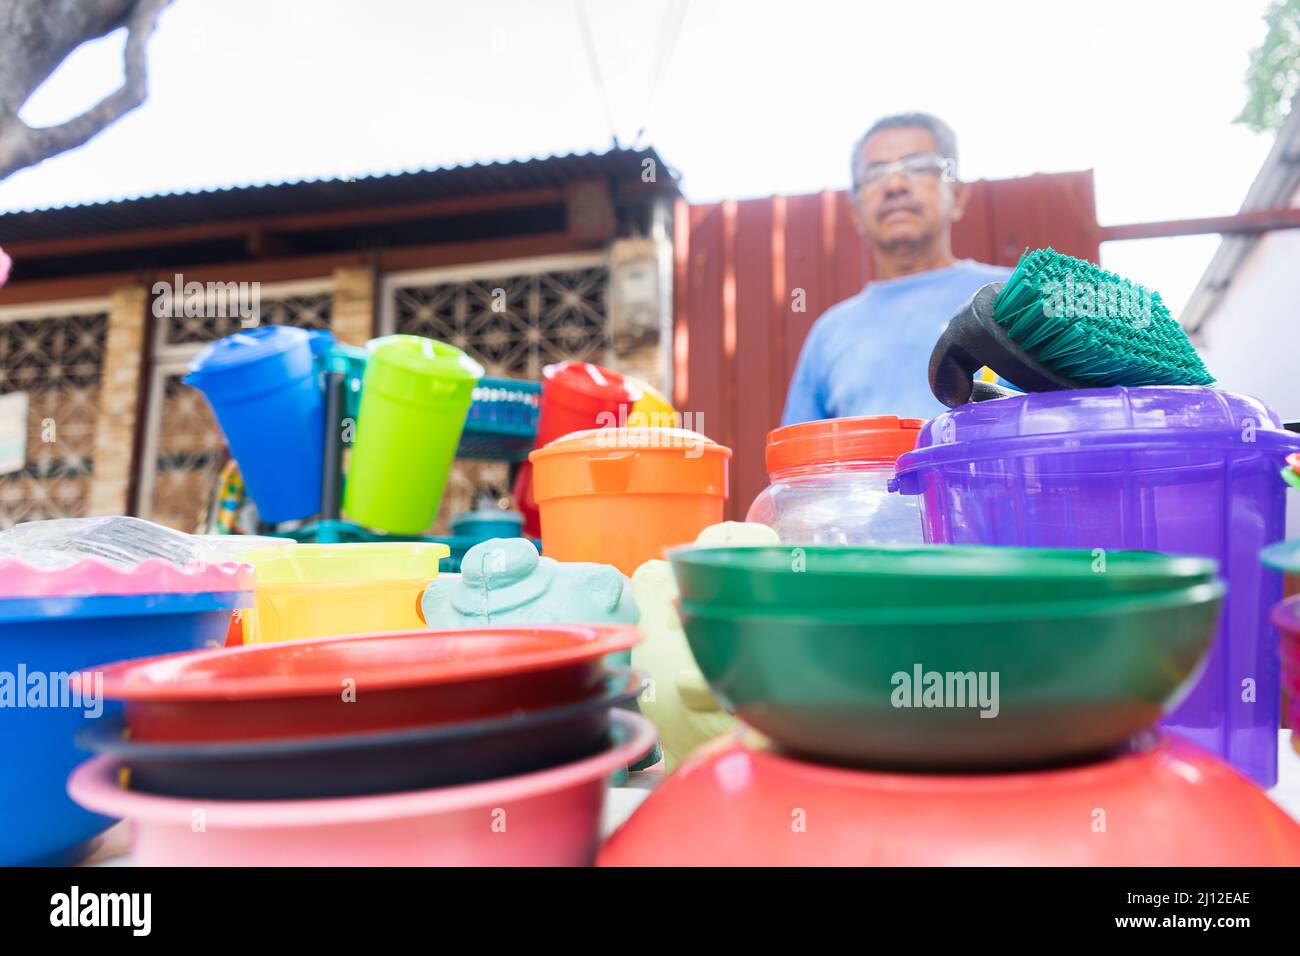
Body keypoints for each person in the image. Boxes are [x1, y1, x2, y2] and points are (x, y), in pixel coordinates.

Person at [782, 112, 1011, 424]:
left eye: (916, 166)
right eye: (876, 173)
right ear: (855, 212)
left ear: (957, 196)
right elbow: (800, 466)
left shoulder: (1011, 298)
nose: (895, 185)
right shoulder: (829, 333)